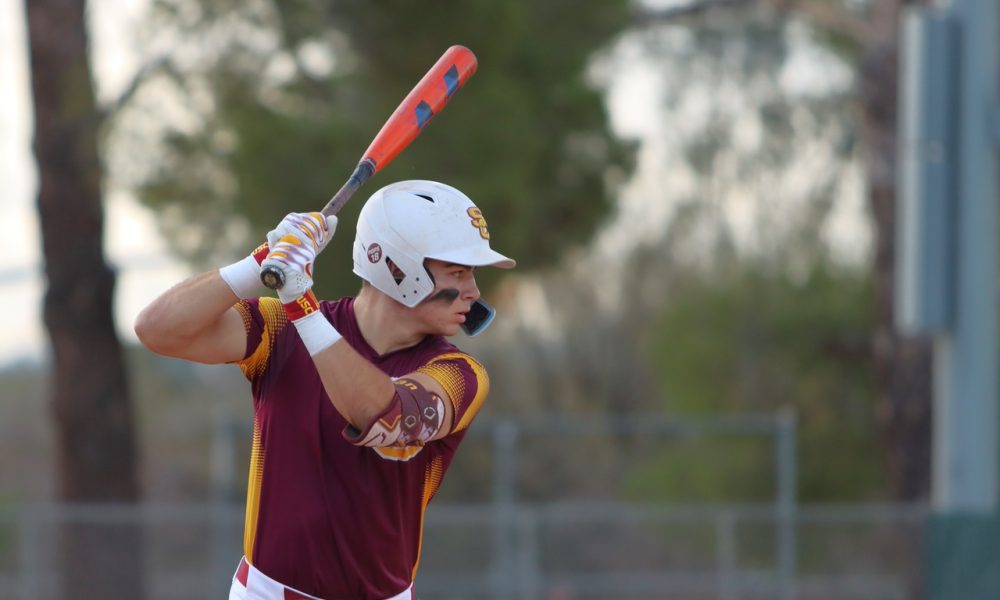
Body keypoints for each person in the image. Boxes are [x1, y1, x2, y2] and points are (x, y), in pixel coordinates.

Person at [134, 180, 515, 600]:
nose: (473, 292)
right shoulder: (279, 328)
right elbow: (157, 330)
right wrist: (260, 261)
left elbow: (384, 415)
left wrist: (303, 306)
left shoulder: (459, 372)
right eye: (458, 273)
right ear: (396, 268)